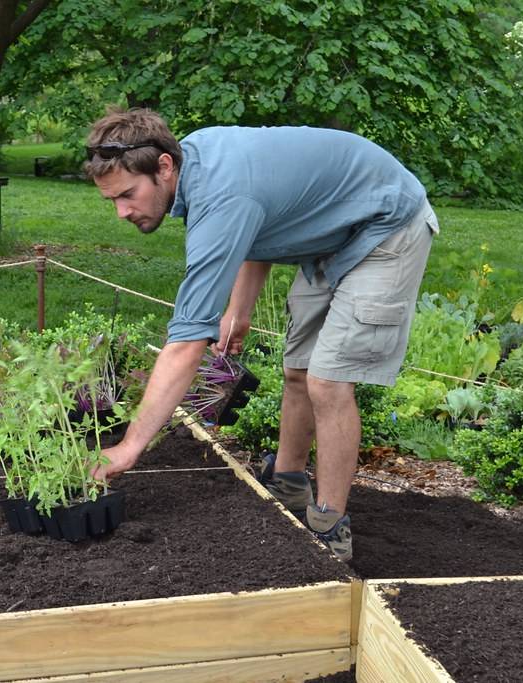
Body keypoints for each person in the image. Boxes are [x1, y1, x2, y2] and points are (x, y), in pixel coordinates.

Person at [84, 108, 438, 561]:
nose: (122, 212)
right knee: (298, 370)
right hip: (332, 232)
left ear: (165, 167)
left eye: (128, 195)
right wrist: (239, 309)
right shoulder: (197, 160)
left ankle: (330, 526)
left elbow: (188, 341)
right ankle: (289, 484)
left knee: (327, 381)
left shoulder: (222, 194)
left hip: (386, 225)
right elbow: (259, 219)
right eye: (112, 200)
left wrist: (130, 448)